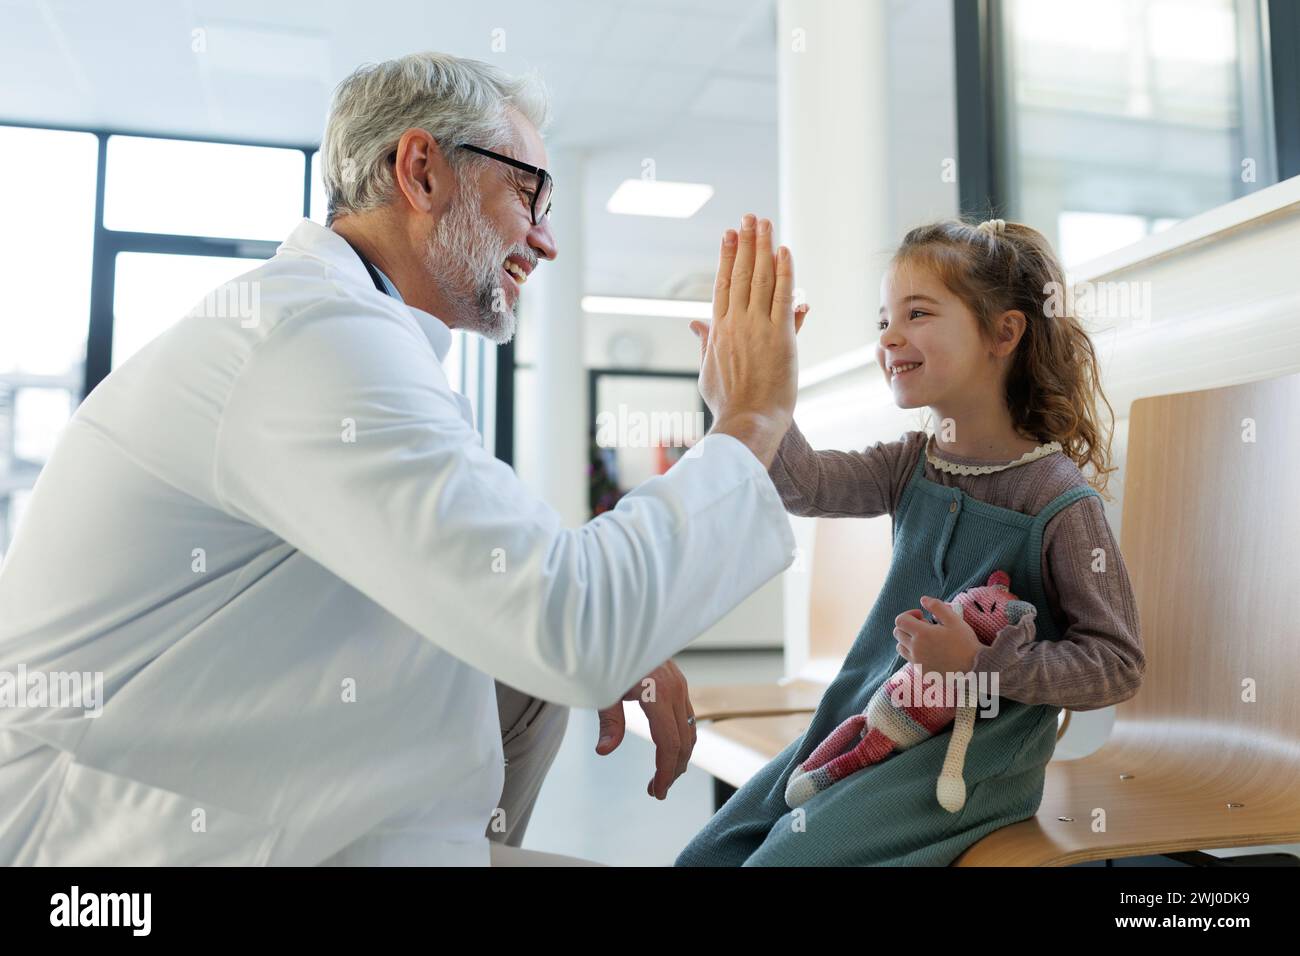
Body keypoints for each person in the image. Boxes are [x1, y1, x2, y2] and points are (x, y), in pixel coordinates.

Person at [0, 51, 802, 867]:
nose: (547, 240)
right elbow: (568, 620)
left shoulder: (353, 334)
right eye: (531, 193)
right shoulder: (311, 335)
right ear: (421, 170)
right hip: (108, 852)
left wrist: (586, 647)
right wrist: (751, 417)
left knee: (528, 681)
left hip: (251, 818)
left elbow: (512, 603)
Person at [676, 218, 1145, 866]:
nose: (890, 337)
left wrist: (981, 667)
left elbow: (1116, 664)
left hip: (967, 764)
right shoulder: (912, 463)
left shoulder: (1057, 502)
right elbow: (806, 487)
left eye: (917, 313)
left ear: (1004, 333)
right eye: (883, 321)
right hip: (867, 724)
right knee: (709, 855)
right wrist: (753, 399)